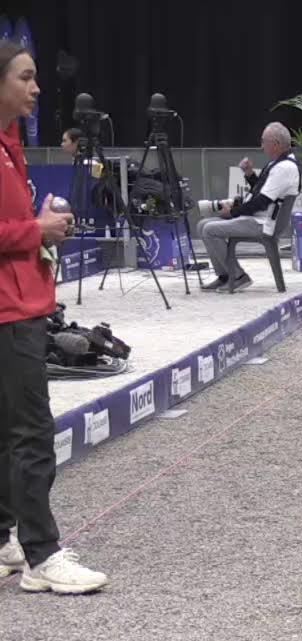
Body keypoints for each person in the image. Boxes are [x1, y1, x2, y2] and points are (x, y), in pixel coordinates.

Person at [0, 40, 109, 594]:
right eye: (26, 77)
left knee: (5, 431)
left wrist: (36, 223)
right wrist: (34, 233)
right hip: (9, 310)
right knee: (33, 433)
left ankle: (4, 542)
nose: (36, 87)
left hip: (17, 302)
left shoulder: (11, 145)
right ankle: (43, 557)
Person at [196, 121, 300, 293]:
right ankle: (225, 276)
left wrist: (234, 212)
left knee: (209, 230)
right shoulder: (277, 163)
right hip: (258, 217)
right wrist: (249, 174)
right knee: (202, 225)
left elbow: (261, 202)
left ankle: (238, 276)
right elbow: (261, 192)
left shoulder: (284, 168)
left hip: (263, 223)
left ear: (275, 144)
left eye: (264, 141)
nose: (261, 146)